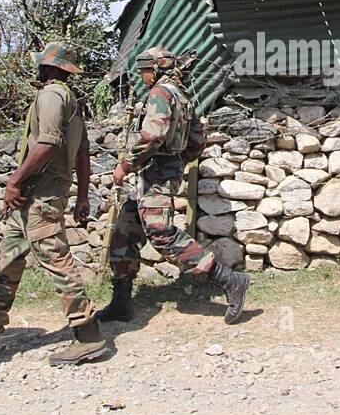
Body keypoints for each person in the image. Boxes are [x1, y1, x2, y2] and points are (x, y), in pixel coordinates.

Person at [0, 42, 106, 365]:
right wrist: (80, 196)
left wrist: (14, 182)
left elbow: (49, 143)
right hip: (37, 195)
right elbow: (82, 154)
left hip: (41, 194)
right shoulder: (75, 101)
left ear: (48, 67)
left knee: (55, 258)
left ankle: (88, 334)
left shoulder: (52, 95)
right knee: (7, 260)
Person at [99, 46, 250, 325]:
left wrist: (126, 165)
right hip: (161, 169)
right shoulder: (182, 95)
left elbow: (151, 136)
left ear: (157, 68)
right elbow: (196, 140)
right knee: (125, 230)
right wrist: (177, 162)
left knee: (161, 233)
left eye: (144, 69)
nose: (142, 75)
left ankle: (229, 280)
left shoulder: (160, 93)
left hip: (155, 171)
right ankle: (121, 301)